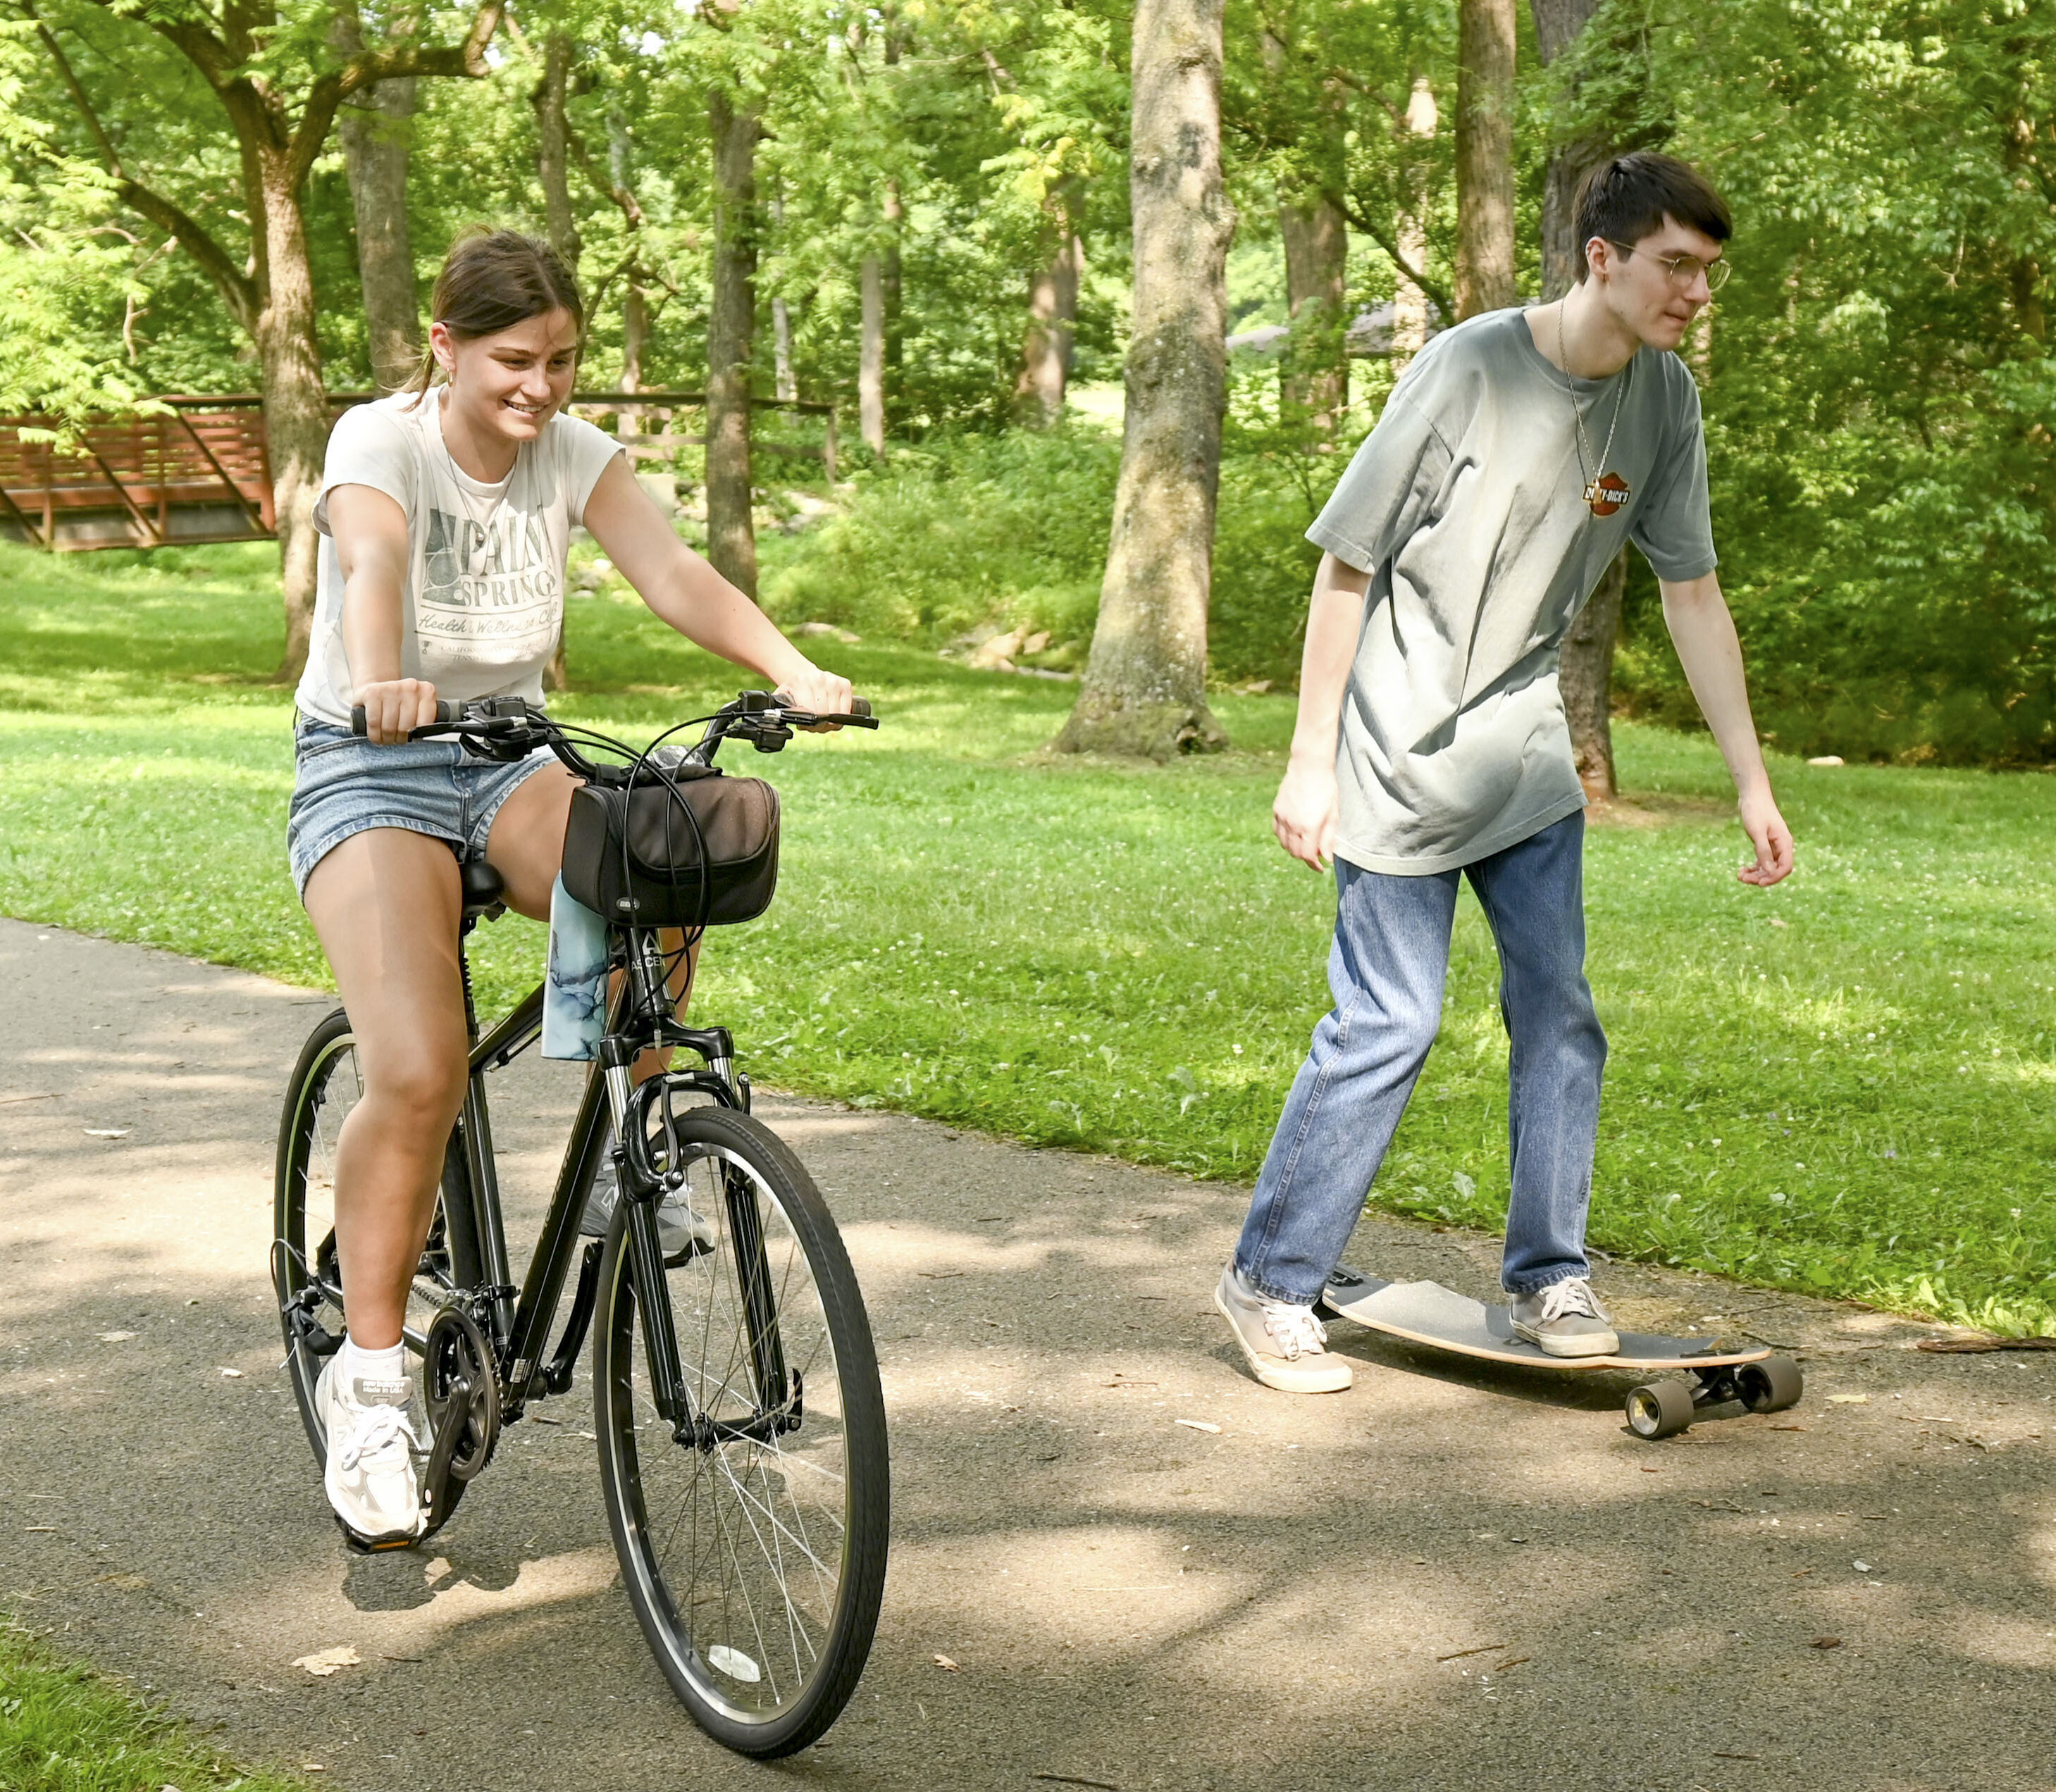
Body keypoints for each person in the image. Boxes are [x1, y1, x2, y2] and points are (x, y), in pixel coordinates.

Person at [288, 229, 852, 1543]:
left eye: (560, 362)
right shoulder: (382, 441)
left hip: (507, 757)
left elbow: (673, 573)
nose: (539, 388)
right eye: (512, 361)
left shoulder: (573, 453)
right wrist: (383, 676)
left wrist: (788, 668)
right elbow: (374, 561)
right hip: (371, 761)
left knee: (671, 856)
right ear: (444, 346)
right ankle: (368, 1384)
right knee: (417, 1070)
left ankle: (637, 1153)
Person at [1215, 154, 1795, 1394]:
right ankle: (1269, 1280)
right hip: (1395, 749)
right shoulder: (1467, 368)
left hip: (1522, 757)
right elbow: (1345, 566)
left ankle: (1548, 1278)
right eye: (1675, 266)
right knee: (1390, 1023)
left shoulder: (1663, 400)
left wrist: (1749, 784)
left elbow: (1692, 594)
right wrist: (1308, 763)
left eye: (1707, 272)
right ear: (1602, 257)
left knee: (1559, 1015)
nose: (1696, 293)